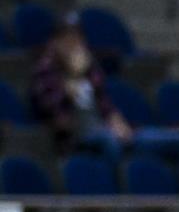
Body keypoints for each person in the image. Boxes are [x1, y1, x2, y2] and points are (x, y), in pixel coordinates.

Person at [29, 19, 133, 157]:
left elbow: (105, 104)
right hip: (74, 137)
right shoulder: (46, 71)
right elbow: (52, 109)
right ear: (54, 43)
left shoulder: (90, 69)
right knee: (109, 141)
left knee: (155, 140)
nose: (74, 45)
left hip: (102, 129)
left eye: (78, 39)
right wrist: (75, 75)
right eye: (67, 40)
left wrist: (118, 123)